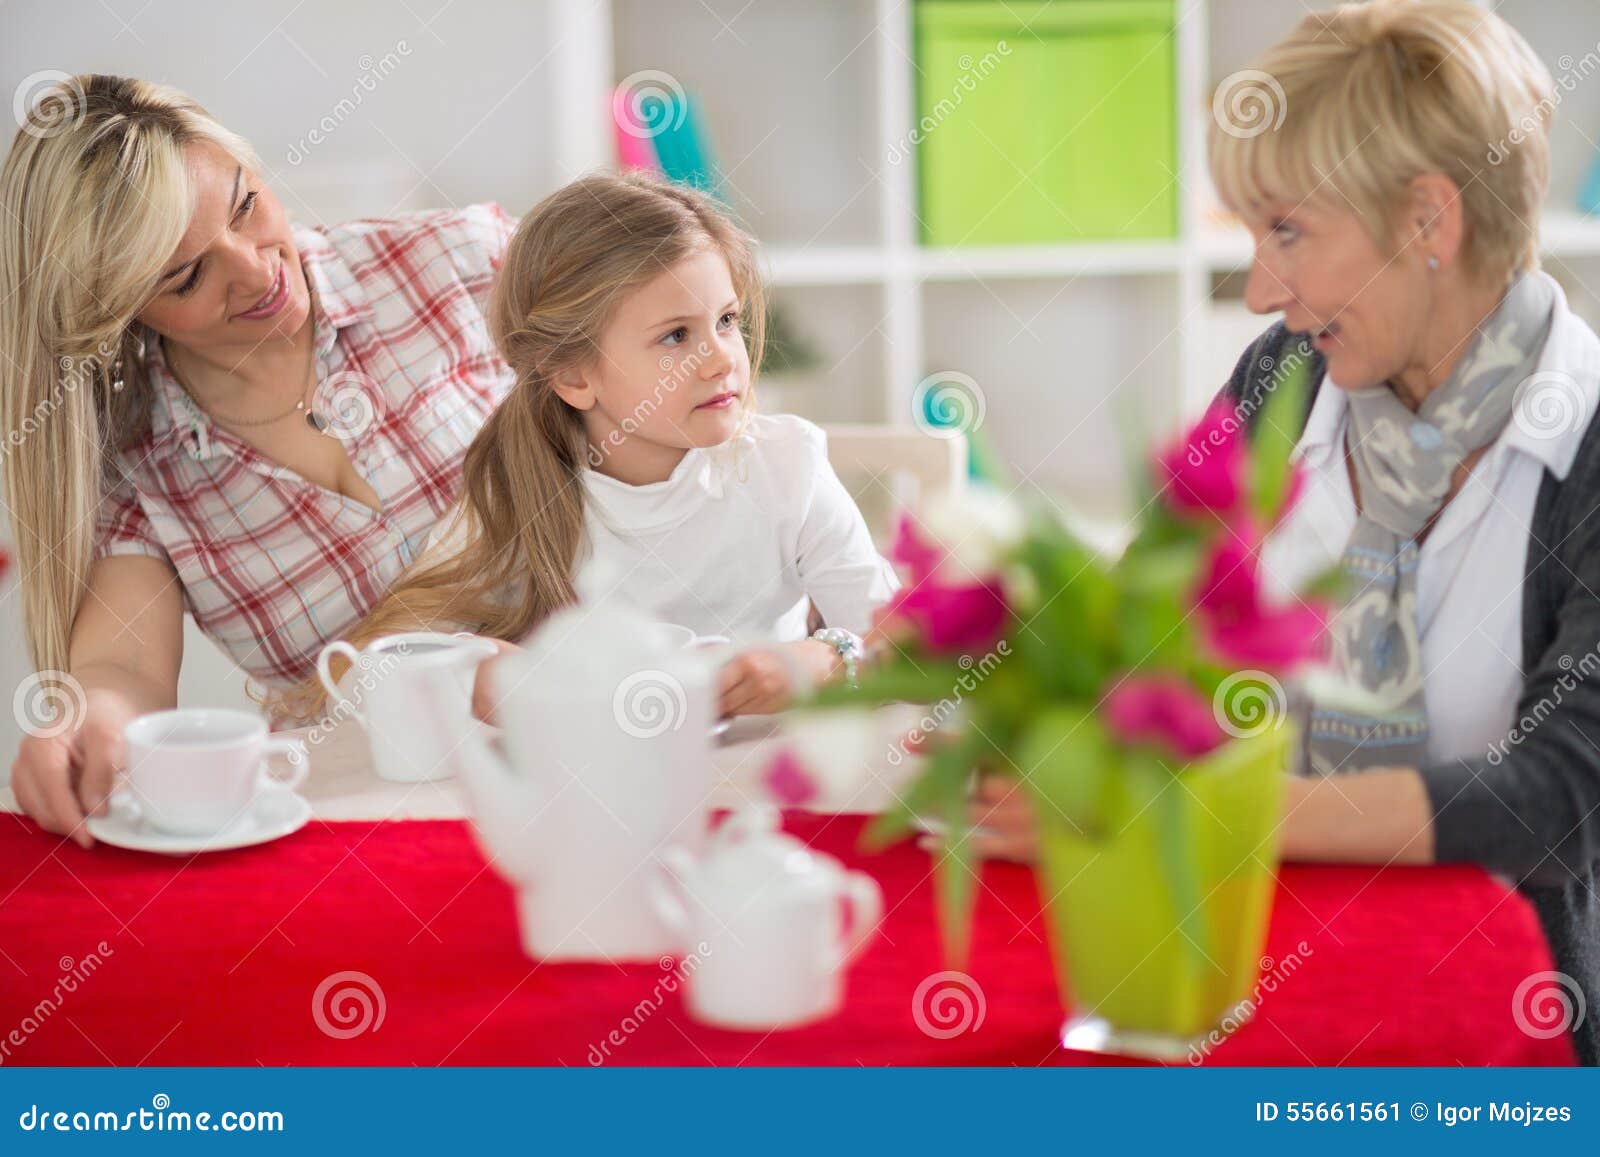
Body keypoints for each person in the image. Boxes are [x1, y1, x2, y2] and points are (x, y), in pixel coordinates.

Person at [964, 0, 1600, 1063]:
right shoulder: (1285, 375)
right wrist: (1026, 707)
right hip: (1242, 961)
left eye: (1288, 231)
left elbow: (1562, 796)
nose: (1262, 289)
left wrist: (1209, 816)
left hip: (1503, 1017)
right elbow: (1149, 625)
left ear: (1428, 221)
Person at [2, 76, 516, 845]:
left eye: (245, 206)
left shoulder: (457, 258)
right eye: (186, 276)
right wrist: (85, 725)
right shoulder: (138, 467)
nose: (254, 270)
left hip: (595, 751)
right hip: (369, 836)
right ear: (120, 311)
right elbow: (124, 669)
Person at [286, 172, 898, 724]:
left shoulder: (788, 466)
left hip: (774, 786)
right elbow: (369, 671)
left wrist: (830, 660)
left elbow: (910, 650)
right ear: (575, 376)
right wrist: (480, 674)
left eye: (727, 321)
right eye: (676, 336)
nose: (721, 359)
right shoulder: (517, 492)